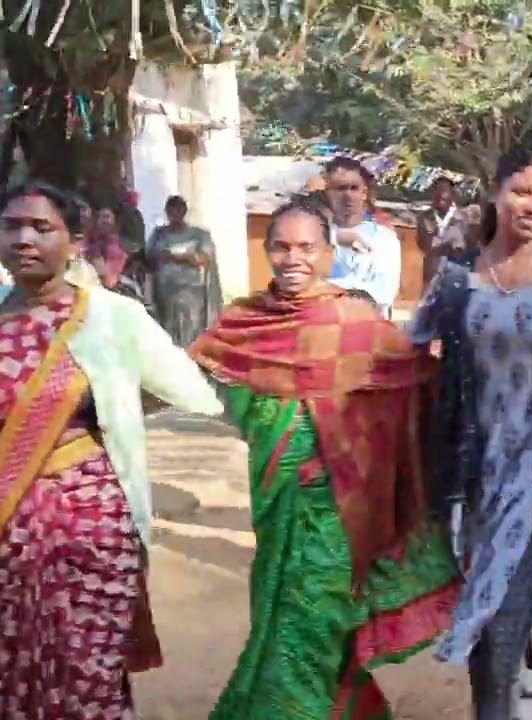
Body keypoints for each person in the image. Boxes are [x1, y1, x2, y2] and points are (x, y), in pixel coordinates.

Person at [190, 200, 462, 719]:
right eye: (281, 247)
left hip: (340, 510)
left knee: (314, 618)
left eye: (306, 247)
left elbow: (421, 380)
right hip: (276, 503)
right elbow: (194, 374)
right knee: (281, 617)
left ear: (328, 252)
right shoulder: (245, 325)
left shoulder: (356, 325)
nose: (293, 258)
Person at [0, 181, 223, 717]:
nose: (24, 239)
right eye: (11, 227)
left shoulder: (111, 316)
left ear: (75, 242)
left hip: (90, 525)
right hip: (7, 528)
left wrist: (112, 403)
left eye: (42, 228)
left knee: (87, 672)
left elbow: (190, 388)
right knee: (13, 670)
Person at [410, 146, 532, 720]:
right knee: (503, 600)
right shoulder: (458, 277)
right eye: (521, 191)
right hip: (473, 471)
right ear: (495, 192)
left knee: (502, 604)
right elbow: (409, 353)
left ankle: (503, 705)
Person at [323, 156, 403, 317]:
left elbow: (383, 293)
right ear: (328, 193)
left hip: (366, 324)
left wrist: (329, 292)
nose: (347, 195)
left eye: (354, 188)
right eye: (340, 188)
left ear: (364, 193)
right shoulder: (313, 238)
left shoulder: (384, 239)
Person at [147, 195, 222, 346]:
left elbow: (202, 258)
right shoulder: (158, 235)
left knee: (191, 330)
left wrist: (175, 256)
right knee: (167, 332)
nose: (174, 214)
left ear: (184, 211)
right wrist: (183, 257)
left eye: (178, 210)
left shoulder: (199, 235)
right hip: (165, 293)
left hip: (191, 292)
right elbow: (150, 257)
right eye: (171, 211)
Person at [85, 203, 128, 289]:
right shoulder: (90, 238)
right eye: (102, 217)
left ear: (113, 221)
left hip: (108, 283)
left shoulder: (117, 244)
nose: (105, 220)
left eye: (107, 217)